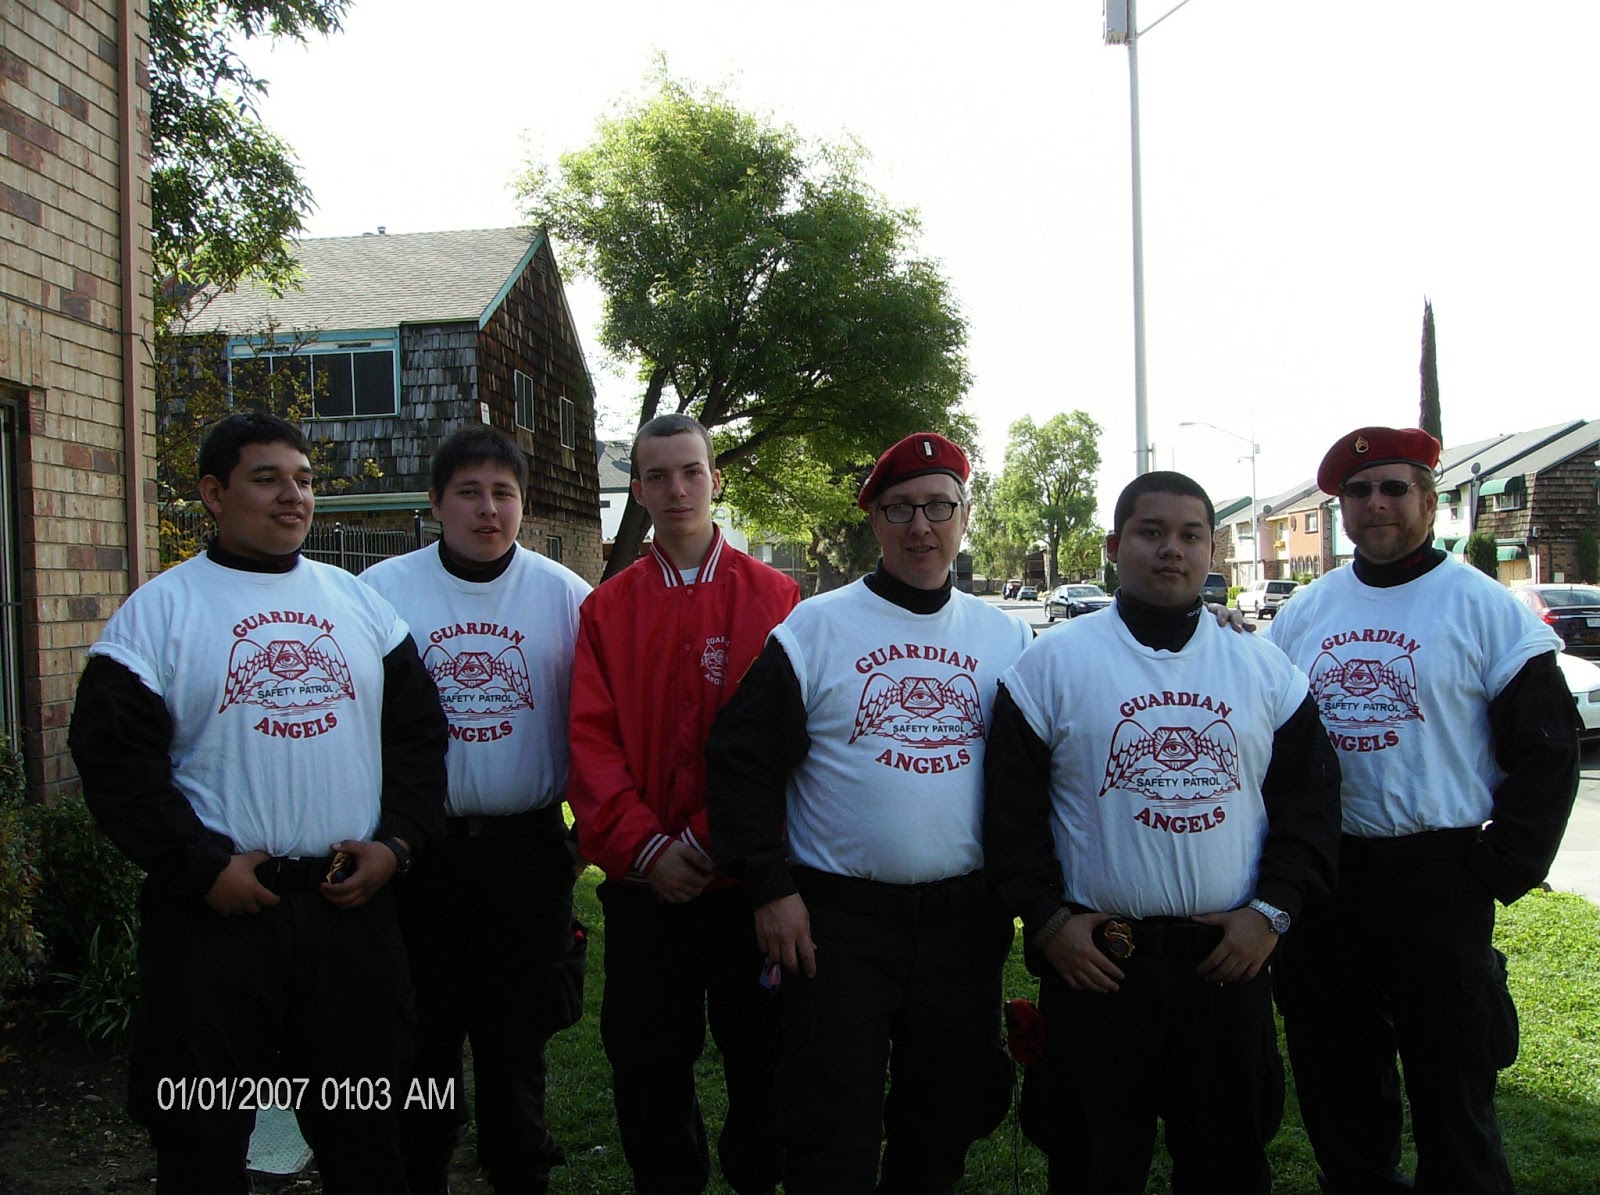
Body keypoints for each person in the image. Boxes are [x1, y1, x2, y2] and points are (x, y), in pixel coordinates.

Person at [67, 412, 449, 1193]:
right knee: (201, 1140)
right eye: (267, 479)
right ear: (214, 493)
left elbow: (419, 739)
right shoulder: (159, 614)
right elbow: (115, 763)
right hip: (215, 920)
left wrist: (399, 843)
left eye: (303, 480)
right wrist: (200, 865)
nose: (292, 496)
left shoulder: (360, 607)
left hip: (348, 913)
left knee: (367, 1139)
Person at [982, 470, 1343, 1194]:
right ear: (1115, 546)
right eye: (1151, 532)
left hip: (1226, 966)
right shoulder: (1051, 665)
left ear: (1212, 550)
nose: (1171, 549)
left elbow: (1310, 807)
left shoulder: (1264, 669)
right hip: (1098, 965)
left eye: (1190, 534)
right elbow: (1009, 816)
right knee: (1091, 1166)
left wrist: (1273, 911)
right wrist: (1049, 921)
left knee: (1227, 1165)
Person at [705, 431, 1033, 1194]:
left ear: (965, 515)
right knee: (830, 1131)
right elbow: (740, 763)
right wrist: (770, 889)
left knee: (940, 1126)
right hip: (838, 929)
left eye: (939, 506)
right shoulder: (815, 630)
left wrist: (1204, 623)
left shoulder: (1009, 637)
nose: (921, 526)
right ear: (874, 519)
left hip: (962, 926)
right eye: (900, 508)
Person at [1266, 426, 1580, 1195]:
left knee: (1453, 1085)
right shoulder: (1304, 613)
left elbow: (1548, 750)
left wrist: (1497, 867)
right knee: (1337, 1080)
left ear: (1430, 501)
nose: (1375, 503)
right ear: (1341, 508)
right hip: (1327, 881)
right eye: (1358, 491)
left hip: (1438, 880)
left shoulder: (1485, 609)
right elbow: (1267, 743)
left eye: (1393, 487)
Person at [566, 412, 800, 1195]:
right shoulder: (607, 609)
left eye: (691, 471)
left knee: (762, 1059)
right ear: (636, 488)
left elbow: (786, 743)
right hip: (645, 890)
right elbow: (591, 745)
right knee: (647, 1063)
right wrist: (650, 849)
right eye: (658, 475)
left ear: (715, 479)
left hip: (746, 887)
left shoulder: (777, 598)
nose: (677, 489)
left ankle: (757, 1178)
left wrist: (708, 840)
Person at [361, 427, 591, 1195]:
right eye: (468, 492)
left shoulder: (566, 596)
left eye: (503, 493)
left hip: (528, 852)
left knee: (515, 1041)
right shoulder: (382, 592)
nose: (487, 509)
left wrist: (585, 838)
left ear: (524, 502)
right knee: (420, 1038)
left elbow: (601, 723)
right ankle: (421, 1168)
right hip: (419, 854)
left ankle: (518, 1170)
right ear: (435, 501)